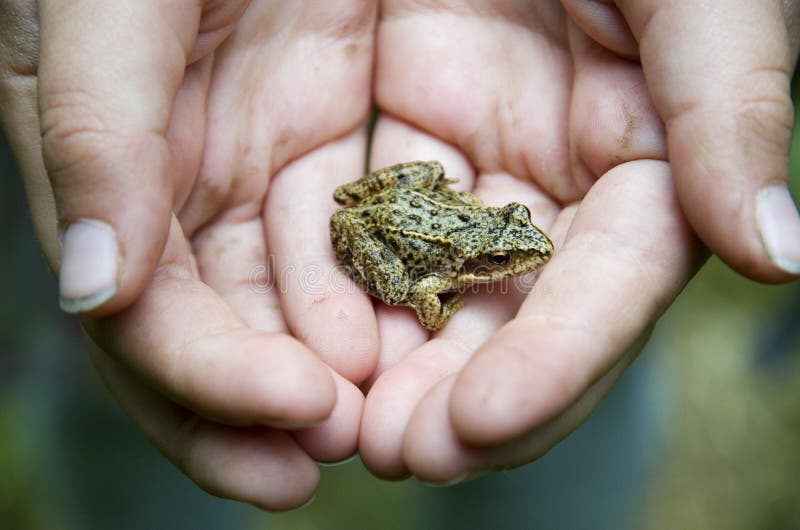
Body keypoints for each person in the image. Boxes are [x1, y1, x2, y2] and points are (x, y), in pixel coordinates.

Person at [0, 0, 797, 511]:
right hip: (387, 228)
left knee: (545, 386)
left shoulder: (495, 234)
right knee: (128, 368)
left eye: (513, 241)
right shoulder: (458, 270)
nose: (517, 257)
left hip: (423, 200)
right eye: (505, 256)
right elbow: (423, 295)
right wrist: (438, 294)